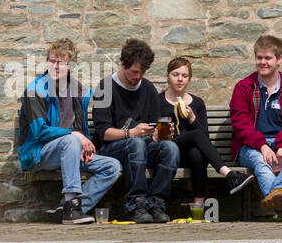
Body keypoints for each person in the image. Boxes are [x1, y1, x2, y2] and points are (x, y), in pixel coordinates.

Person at [18, 38, 122, 224]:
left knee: (112, 167)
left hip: (70, 152)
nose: (55, 66)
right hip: (38, 154)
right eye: (51, 61)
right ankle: (71, 205)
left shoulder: (78, 89)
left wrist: (84, 145)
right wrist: (75, 136)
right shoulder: (36, 91)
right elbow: (40, 132)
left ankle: (69, 208)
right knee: (71, 140)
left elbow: (81, 125)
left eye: (62, 63)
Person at [91, 38, 180, 223]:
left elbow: (155, 125)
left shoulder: (147, 88)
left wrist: (159, 133)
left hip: (141, 145)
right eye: (134, 72)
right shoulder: (105, 87)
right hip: (111, 149)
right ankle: (135, 204)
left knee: (170, 149)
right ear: (122, 64)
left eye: (142, 72)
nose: (138, 76)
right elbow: (102, 133)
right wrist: (131, 133)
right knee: (136, 143)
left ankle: (156, 203)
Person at [230, 35, 282, 221]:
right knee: (260, 162)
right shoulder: (243, 88)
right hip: (251, 145)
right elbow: (240, 123)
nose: (262, 62)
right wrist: (263, 146)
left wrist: (281, 147)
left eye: (268, 58)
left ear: (279, 59)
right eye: (259, 58)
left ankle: (278, 199)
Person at [158, 56, 251, 205]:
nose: (180, 79)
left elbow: (204, 138)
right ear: (167, 76)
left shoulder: (197, 103)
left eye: (184, 76)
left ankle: (198, 205)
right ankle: (229, 174)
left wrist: (193, 119)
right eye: (175, 75)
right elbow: (159, 136)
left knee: (197, 153)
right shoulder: (158, 101)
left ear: (189, 79)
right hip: (169, 151)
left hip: (189, 155)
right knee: (194, 135)